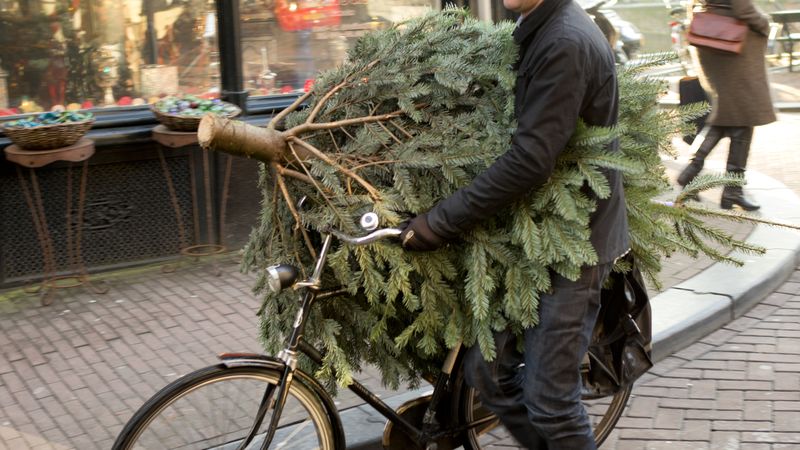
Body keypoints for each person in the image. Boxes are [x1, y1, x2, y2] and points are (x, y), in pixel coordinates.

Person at [399, 0, 629, 448]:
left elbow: (530, 159)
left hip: (572, 239)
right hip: (532, 229)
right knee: (487, 373)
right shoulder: (533, 25)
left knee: (550, 401)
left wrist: (438, 222)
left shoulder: (564, 41)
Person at [676, 0, 776, 211]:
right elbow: (743, 8)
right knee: (742, 114)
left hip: (713, 35)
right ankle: (729, 189)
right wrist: (764, 23)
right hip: (731, 42)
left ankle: (694, 175)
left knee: (730, 115)